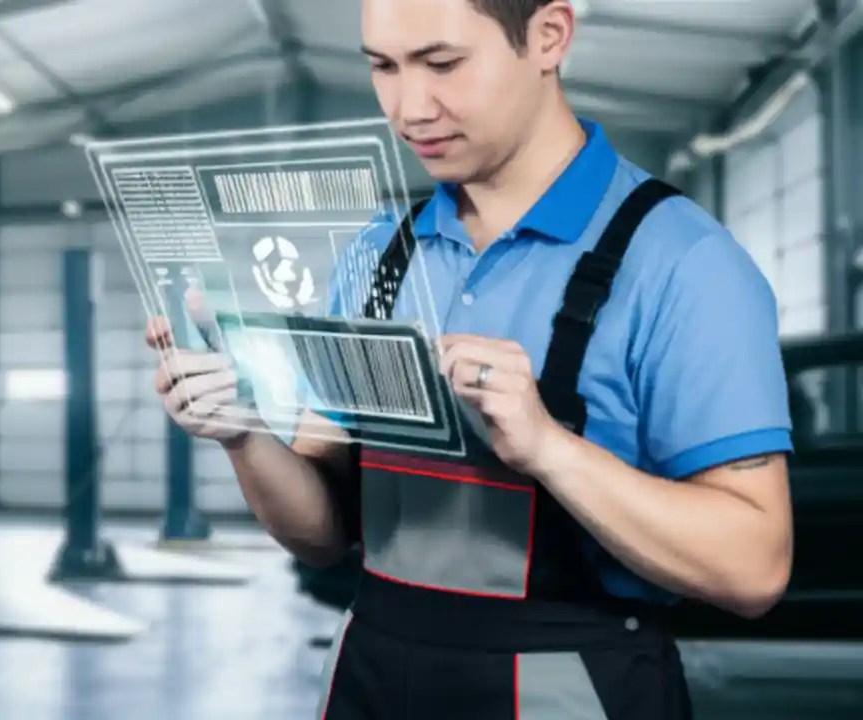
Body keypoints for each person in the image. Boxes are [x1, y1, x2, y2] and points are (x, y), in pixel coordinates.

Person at [145, 0, 794, 717]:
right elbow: (324, 534)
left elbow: (754, 566)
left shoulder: (681, 262)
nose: (409, 107)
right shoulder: (378, 255)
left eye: (442, 63)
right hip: (371, 672)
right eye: (383, 67)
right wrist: (244, 433)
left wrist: (549, 449)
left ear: (548, 37)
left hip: (567, 685)